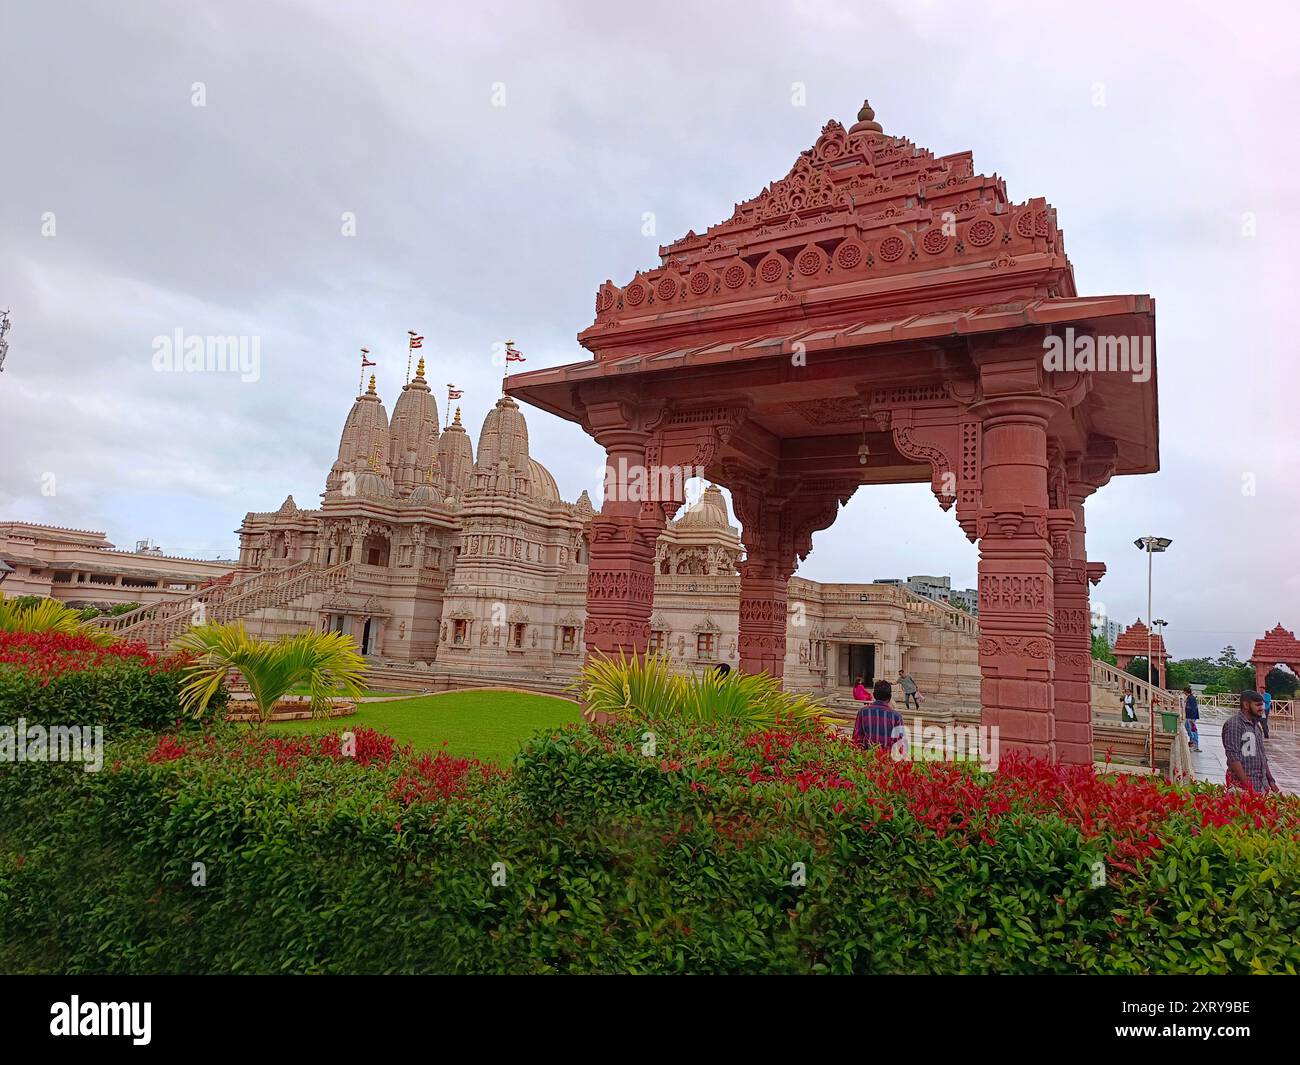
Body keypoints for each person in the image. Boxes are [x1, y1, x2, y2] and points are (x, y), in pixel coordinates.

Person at [1222, 691, 1279, 794]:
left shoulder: (1256, 726)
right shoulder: (1234, 724)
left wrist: (1271, 780)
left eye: (1262, 705)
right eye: (1257, 705)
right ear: (1246, 705)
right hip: (1241, 788)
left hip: (1260, 785)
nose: (1262, 709)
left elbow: (1262, 756)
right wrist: (1247, 785)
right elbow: (1233, 758)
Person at [852, 679, 905, 756]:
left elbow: (857, 739)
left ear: (874, 695)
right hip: (886, 761)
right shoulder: (896, 716)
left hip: (867, 759)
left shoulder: (863, 712)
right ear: (890, 697)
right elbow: (899, 744)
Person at [1182, 686, 1200, 752]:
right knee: (1190, 730)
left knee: (1193, 731)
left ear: (1186, 692)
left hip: (1191, 717)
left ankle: (1195, 746)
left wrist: (1192, 718)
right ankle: (1192, 744)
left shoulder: (1191, 698)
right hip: (1189, 717)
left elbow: (1194, 708)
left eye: (1184, 691)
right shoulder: (1189, 698)